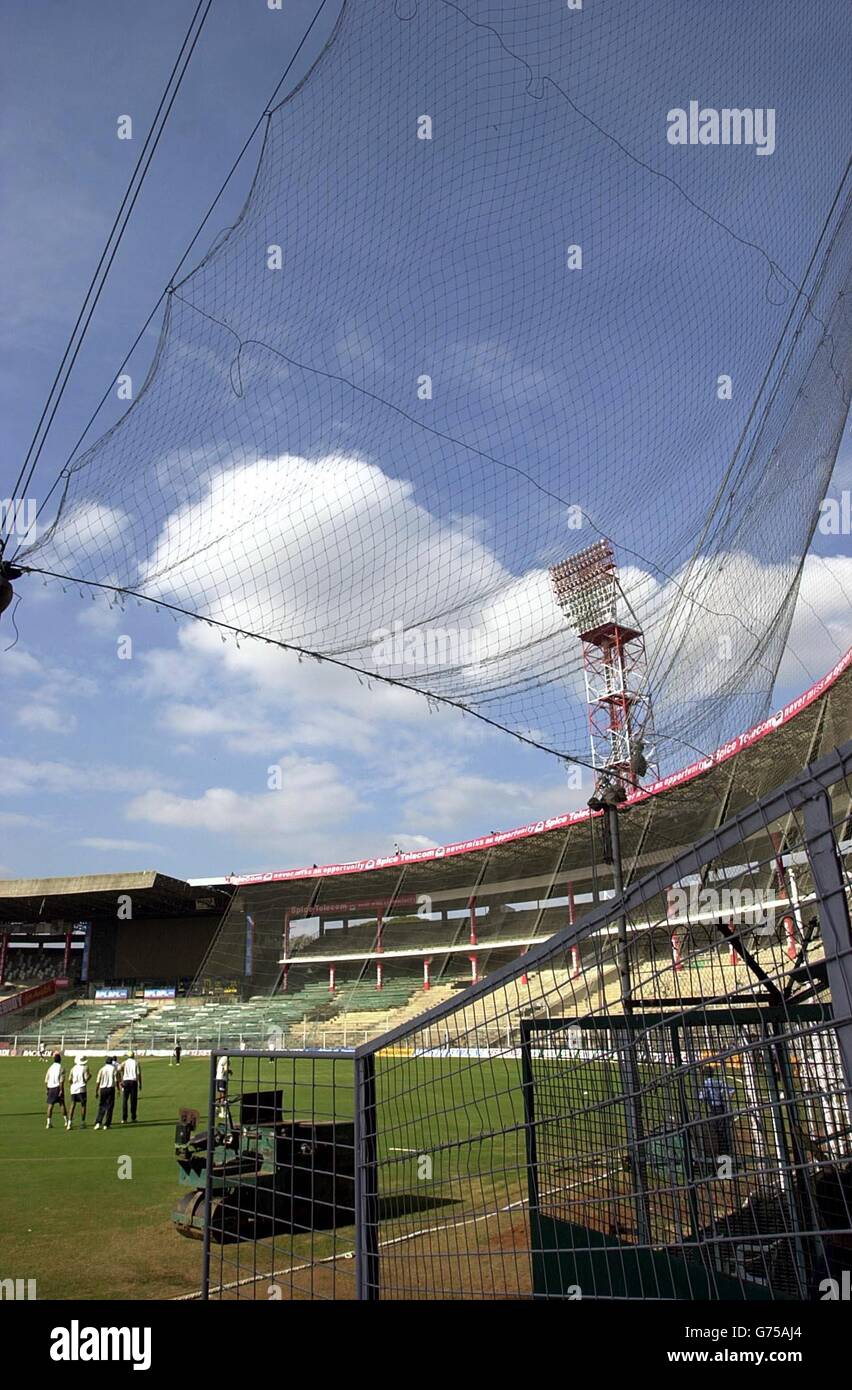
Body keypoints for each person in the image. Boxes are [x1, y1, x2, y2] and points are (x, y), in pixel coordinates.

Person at [45, 1052, 69, 1131]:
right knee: (62, 1104)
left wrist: (47, 1089)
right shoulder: (61, 1068)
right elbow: (61, 1081)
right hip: (57, 1087)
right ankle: (66, 1121)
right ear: (60, 1060)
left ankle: (48, 1122)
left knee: (50, 1105)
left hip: (50, 1087)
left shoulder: (50, 1067)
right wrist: (61, 1090)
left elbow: (46, 1079)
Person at [94, 1055, 118, 1130]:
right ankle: (107, 1124)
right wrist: (118, 1089)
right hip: (110, 1088)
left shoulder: (102, 1069)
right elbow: (116, 1080)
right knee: (110, 1106)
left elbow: (98, 1081)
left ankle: (98, 1122)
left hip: (103, 1089)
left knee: (102, 1105)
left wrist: (96, 1091)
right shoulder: (113, 1069)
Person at [68, 1054, 91, 1129]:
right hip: (82, 1088)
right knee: (83, 1105)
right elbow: (86, 1078)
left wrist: (73, 1084)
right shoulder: (85, 1067)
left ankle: (69, 1123)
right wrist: (89, 1077)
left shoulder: (73, 1068)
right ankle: (82, 1122)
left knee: (72, 1105)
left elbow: (69, 1079)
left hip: (73, 1088)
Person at [119, 1052, 142, 1123]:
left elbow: (119, 1069)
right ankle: (133, 1117)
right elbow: (138, 1074)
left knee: (125, 1100)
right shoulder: (136, 1062)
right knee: (133, 1101)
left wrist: (121, 1081)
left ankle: (124, 1118)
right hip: (133, 1082)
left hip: (126, 1081)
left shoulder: (124, 1062)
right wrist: (140, 1083)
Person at [215, 1054, 232, 1121]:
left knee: (219, 1093)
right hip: (222, 1078)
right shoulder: (226, 1059)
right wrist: (229, 1071)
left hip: (218, 1077)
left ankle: (216, 1109)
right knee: (223, 1094)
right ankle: (222, 1112)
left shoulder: (221, 1059)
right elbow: (225, 1069)